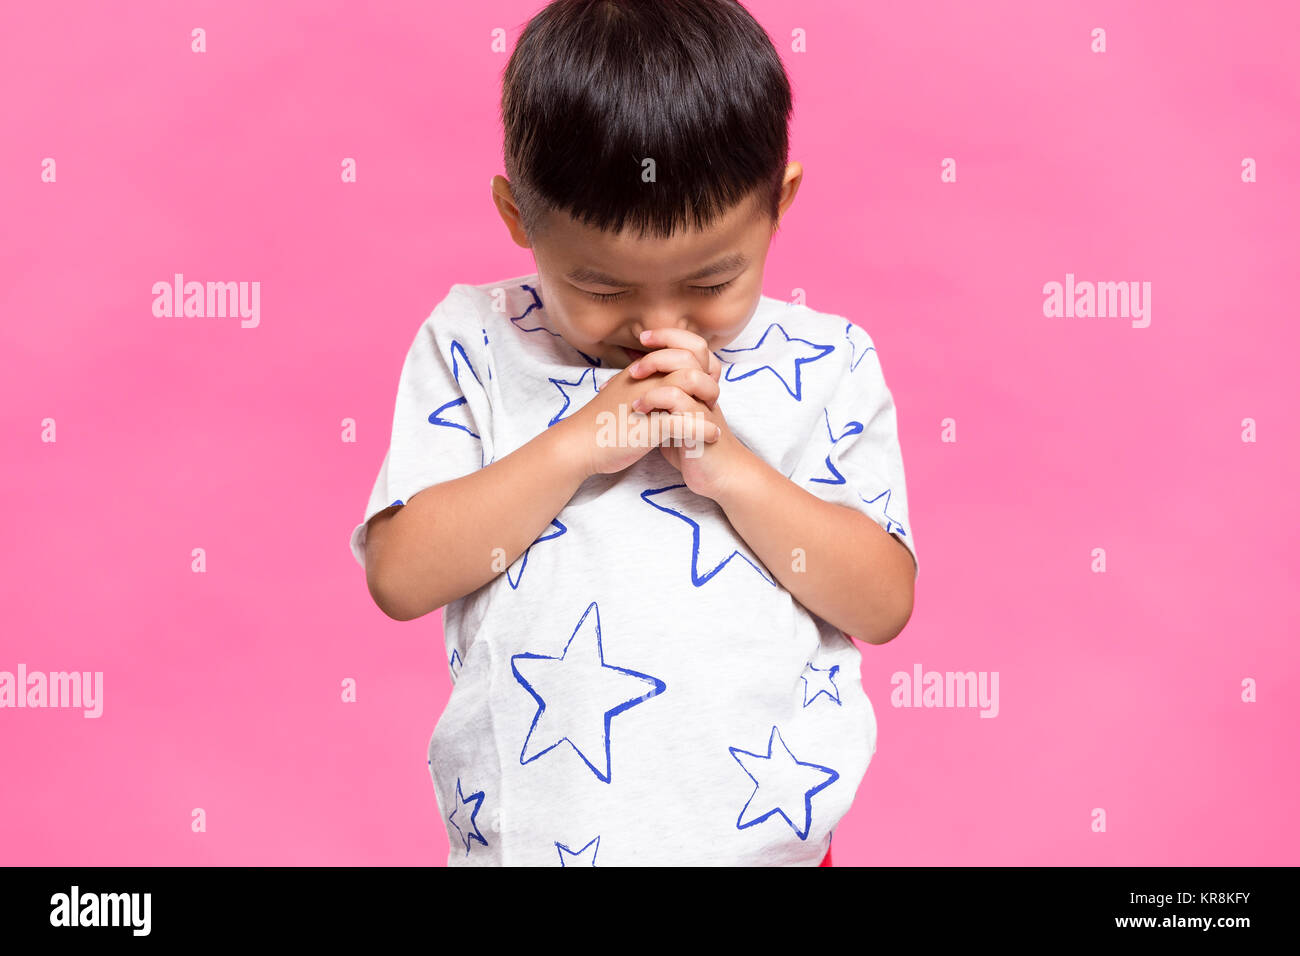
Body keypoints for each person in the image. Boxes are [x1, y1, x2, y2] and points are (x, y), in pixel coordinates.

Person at [349, 0, 918, 866]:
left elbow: (882, 604)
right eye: (603, 289)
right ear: (518, 220)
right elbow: (401, 575)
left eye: (710, 281)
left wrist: (729, 467)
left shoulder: (826, 362)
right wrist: (580, 442)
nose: (656, 326)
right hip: (531, 844)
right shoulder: (474, 342)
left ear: (779, 205)